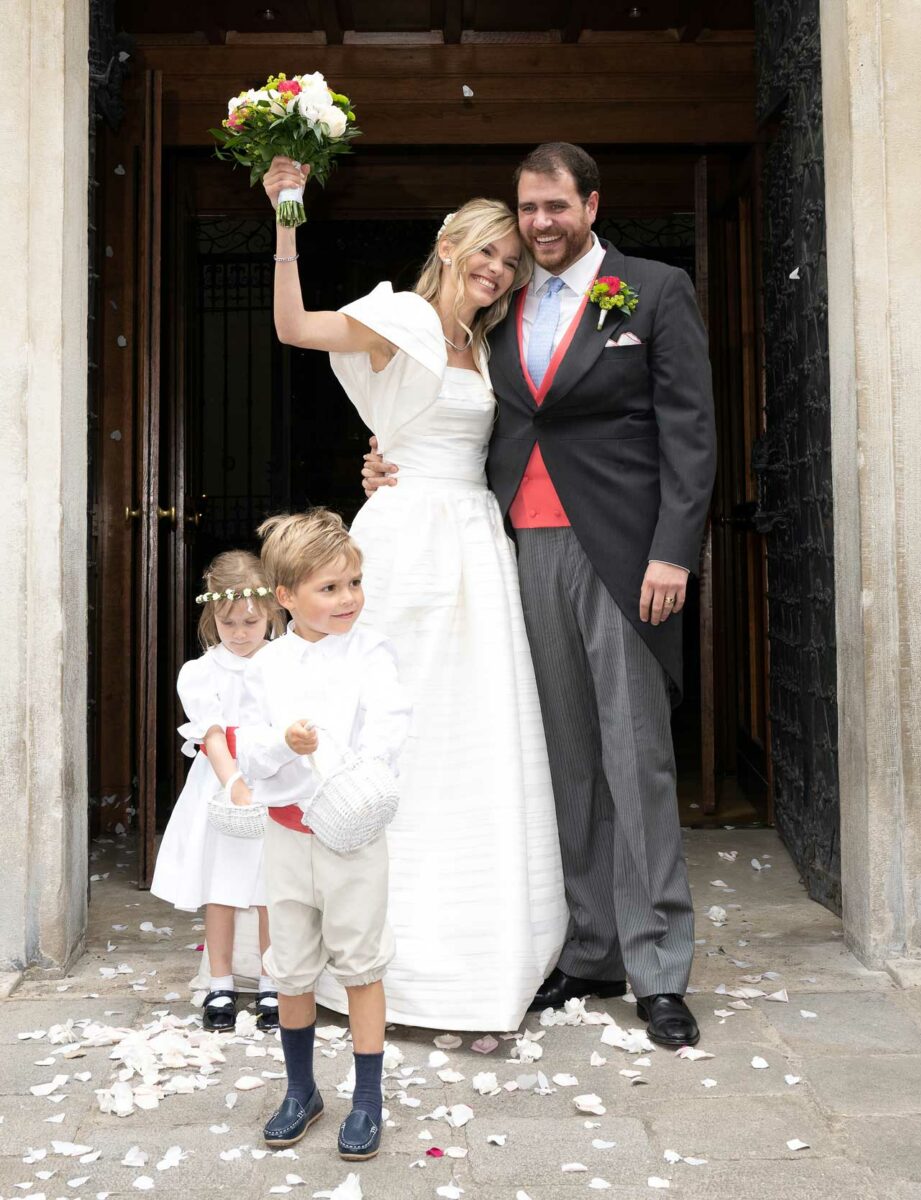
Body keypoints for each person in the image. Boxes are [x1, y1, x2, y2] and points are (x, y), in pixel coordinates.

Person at [365, 143, 717, 1047]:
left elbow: (690, 430)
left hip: (624, 555)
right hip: (518, 549)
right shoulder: (505, 300)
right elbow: (453, 401)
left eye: (556, 206)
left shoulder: (652, 288)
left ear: (590, 204)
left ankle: (657, 966)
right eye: (528, 209)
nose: (540, 224)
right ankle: (591, 947)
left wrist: (673, 552)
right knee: (563, 755)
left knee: (634, 757)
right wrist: (389, 461)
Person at [257, 157, 568, 1031]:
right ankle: (368, 951)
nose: (499, 269)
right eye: (488, 251)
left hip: (475, 543)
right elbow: (291, 326)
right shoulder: (398, 319)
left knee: (476, 734)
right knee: (391, 728)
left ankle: (479, 954)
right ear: (448, 245)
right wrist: (287, 213)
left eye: (511, 260)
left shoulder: (490, 345)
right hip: (405, 542)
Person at [236, 508, 411, 1160]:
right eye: (329, 588)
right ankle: (300, 1089)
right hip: (286, 838)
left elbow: (389, 724)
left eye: (354, 583)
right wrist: (285, 743)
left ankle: (367, 1099)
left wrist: (355, 775)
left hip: (350, 836)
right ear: (286, 596)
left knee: (360, 964)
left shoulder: (370, 652)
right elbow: (250, 751)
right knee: (292, 969)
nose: (348, 599)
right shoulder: (266, 667)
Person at [150, 550, 285, 1032]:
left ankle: (273, 983)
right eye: (229, 623)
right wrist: (234, 784)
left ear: (270, 611)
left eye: (250, 621)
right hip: (222, 785)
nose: (241, 632)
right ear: (213, 618)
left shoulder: (285, 663)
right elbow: (211, 736)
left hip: (274, 780)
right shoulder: (201, 672)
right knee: (223, 889)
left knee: (272, 887)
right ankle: (221, 984)